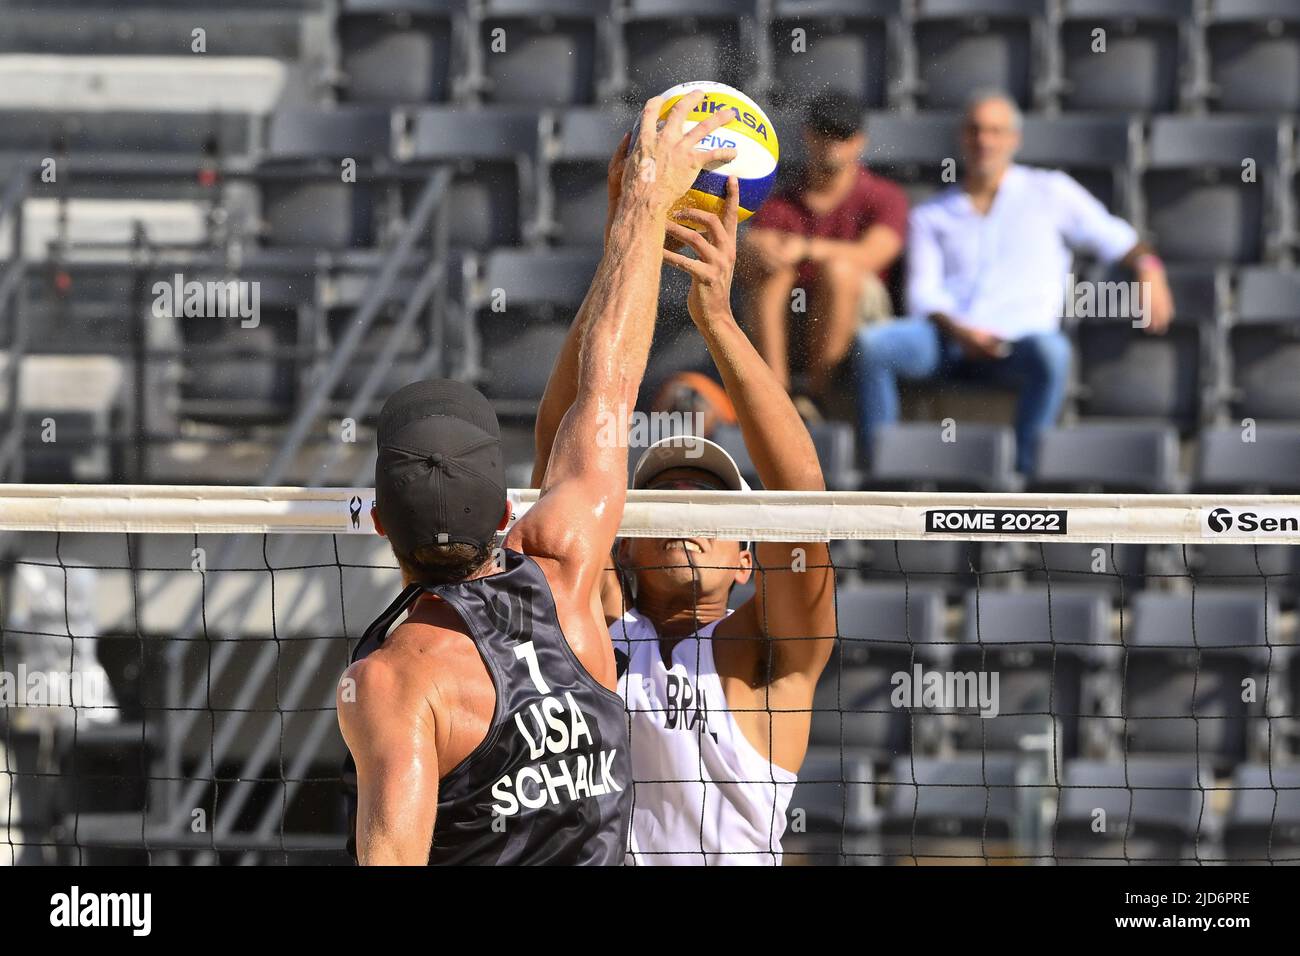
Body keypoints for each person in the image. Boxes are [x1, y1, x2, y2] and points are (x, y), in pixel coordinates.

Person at [336, 90, 737, 865]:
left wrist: (640, 219)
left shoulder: (394, 682)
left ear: (382, 523)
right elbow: (608, 390)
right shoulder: (564, 568)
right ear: (507, 509)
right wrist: (642, 213)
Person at [532, 166, 838, 865]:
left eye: (710, 501)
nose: (686, 516)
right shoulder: (593, 630)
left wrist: (719, 318)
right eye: (668, 497)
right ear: (625, 548)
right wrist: (625, 245)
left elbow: (802, 496)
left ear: (746, 558)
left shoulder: (765, 659)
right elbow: (558, 451)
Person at [854, 90, 1176, 474]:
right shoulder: (932, 214)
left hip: (1018, 344)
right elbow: (923, 294)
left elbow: (1117, 239)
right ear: (962, 137)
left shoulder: (1051, 192)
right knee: (873, 347)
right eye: (975, 130)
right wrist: (962, 332)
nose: (984, 141)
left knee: (1053, 353)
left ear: (1014, 139)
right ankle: (878, 468)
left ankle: (1027, 477)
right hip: (946, 340)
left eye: (995, 130)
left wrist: (1150, 268)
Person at [740, 90, 908, 412]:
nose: (832, 143)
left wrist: (805, 248)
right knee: (770, 271)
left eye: (842, 135)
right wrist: (752, 247)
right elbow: (748, 267)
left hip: (862, 318)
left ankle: (819, 397)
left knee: (840, 271)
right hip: (798, 318)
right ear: (808, 134)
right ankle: (779, 399)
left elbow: (875, 255)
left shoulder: (884, 195)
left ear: (859, 141)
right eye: (823, 133)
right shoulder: (780, 202)